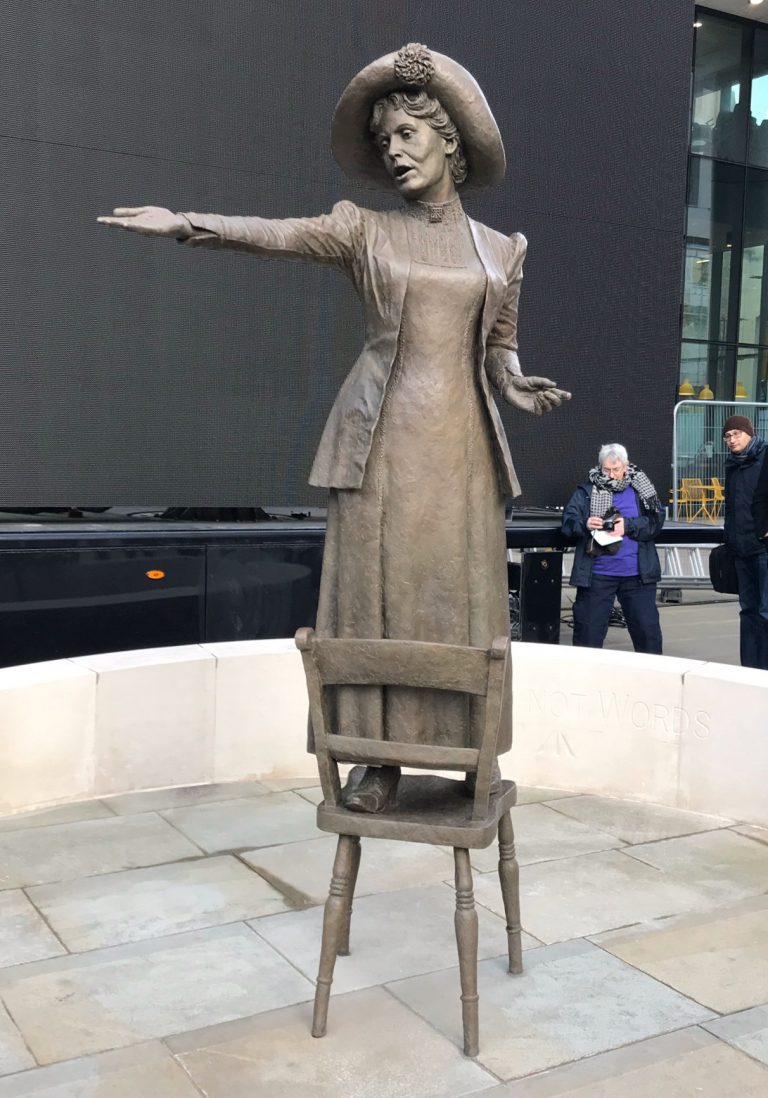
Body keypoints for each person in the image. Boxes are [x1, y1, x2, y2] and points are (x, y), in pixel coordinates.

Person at [98, 43, 570, 811]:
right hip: (380, 441)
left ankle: (466, 751)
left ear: (448, 140)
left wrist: (515, 384)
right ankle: (373, 758)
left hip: (464, 451)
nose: (394, 154)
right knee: (374, 597)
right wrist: (185, 222)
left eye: (408, 136)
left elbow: (498, 343)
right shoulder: (364, 232)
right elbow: (277, 234)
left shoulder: (501, 250)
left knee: (458, 600)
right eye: (384, 142)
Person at [562, 443, 664, 653]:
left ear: (625, 467)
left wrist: (628, 526)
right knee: (587, 639)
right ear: (600, 467)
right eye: (606, 470)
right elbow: (568, 522)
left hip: (638, 576)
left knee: (648, 637)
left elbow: (656, 522)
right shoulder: (586, 491)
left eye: (616, 469)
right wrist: (585, 523)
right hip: (597, 575)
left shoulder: (641, 490)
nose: (611, 474)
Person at [723, 415, 768, 670]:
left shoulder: (765, 457)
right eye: (727, 436)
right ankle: (749, 669)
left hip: (762, 548)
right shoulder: (733, 464)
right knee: (748, 612)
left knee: (765, 612)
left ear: (750, 433)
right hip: (740, 549)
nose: (731, 439)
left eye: (736, 434)